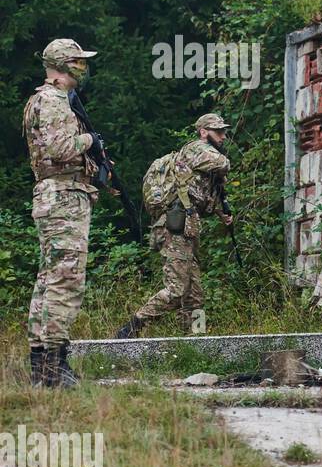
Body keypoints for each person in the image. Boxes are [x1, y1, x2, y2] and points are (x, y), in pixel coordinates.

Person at [24, 39, 102, 386]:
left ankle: (42, 366)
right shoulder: (54, 102)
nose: (83, 68)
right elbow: (60, 148)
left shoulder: (38, 101)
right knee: (65, 281)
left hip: (54, 195)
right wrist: (90, 141)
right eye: (78, 62)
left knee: (48, 280)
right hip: (64, 198)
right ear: (64, 65)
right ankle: (55, 367)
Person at [115, 114, 233, 338]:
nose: (223, 136)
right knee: (178, 289)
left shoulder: (200, 163)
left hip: (187, 226)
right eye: (218, 131)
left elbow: (199, 195)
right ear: (203, 132)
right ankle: (133, 326)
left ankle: (195, 341)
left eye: (223, 131)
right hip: (174, 225)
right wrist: (224, 161)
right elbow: (222, 163)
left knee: (195, 294)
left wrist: (221, 213)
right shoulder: (196, 149)